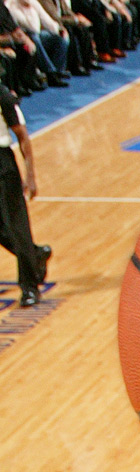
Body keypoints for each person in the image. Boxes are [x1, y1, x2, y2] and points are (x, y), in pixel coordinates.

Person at [0, 83, 48, 306]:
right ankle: (35, 254)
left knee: (18, 227)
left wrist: (30, 175)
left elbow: (22, 135)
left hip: (3, 164)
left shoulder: (3, 95)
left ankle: (29, 287)